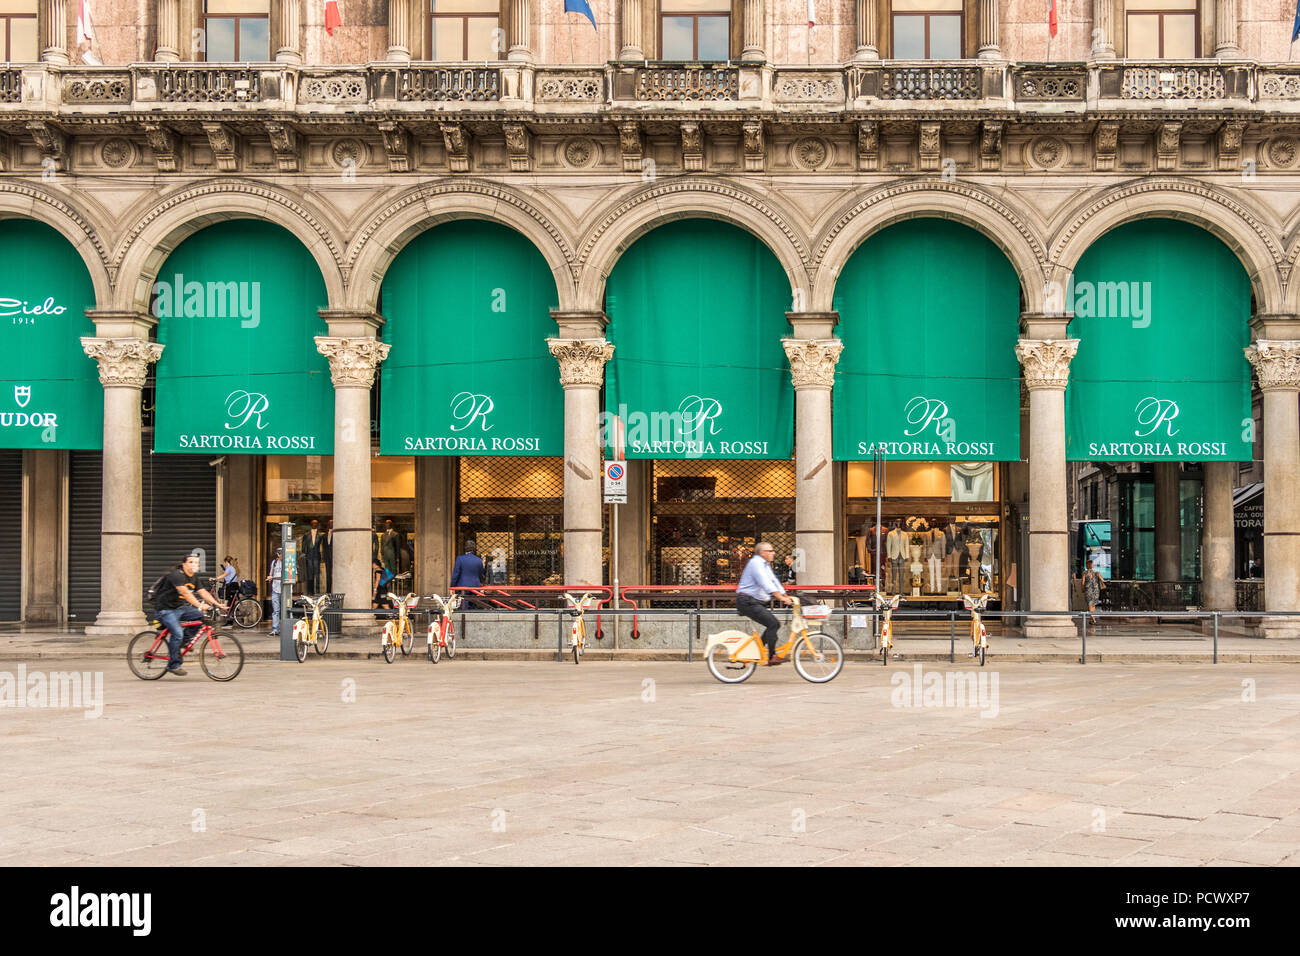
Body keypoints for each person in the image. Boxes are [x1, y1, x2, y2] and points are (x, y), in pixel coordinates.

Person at [156, 553, 224, 676]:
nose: (194, 565)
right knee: (177, 633)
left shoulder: (194, 578)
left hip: (180, 608)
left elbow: (203, 593)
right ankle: (174, 664)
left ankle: (184, 641)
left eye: (197, 563)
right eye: (191, 562)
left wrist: (217, 604)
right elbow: (186, 593)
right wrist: (200, 606)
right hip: (165, 609)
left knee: (200, 617)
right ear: (184, 564)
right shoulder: (176, 575)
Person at [736, 541, 794, 666]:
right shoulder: (756, 563)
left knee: (773, 624)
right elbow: (765, 583)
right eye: (770, 551)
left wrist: (785, 595)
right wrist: (780, 597)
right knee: (773, 624)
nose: (773, 553)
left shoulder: (765, 565)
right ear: (762, 553)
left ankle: (756, 651)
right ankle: (772, 656)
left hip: (754, 601)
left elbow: (774, 581)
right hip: (747, 601)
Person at [451, 539, 485, 606]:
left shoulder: (460, 558)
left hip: (463, 586)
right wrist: (481, 584)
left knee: (463, 606)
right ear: (474, 549)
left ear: (465, 548)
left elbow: (456, 574)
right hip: (475, 586)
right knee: (474, 605)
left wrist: (452, 587)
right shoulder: (479, 560)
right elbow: (481, 574)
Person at [300, 519, 324, 594]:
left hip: (317, 556)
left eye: (316, 523)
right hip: (309, 557)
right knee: (309, 575)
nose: (315, 525)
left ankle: (317, 591)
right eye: (313, 523)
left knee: (317, 575)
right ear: (311, 524)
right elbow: (303, 547)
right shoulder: (306, 535)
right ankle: (310, 591)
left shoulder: (320, 535)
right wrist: (304, 555)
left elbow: (322, 546)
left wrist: (322, 556)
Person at [267, 548, 285, 636]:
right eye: (279, 554)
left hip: (285, 590)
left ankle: (287, 629)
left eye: (281, 553)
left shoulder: (288, 562)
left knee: (286, 610)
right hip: (275, 589)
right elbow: (271, 574)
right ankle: (275, 629)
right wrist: (270, 578)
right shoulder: (274, 563)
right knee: (276, 611)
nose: (280, 555)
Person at [1083, 559, 1106, 623]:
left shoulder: (1084, 573)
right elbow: (1103, 580)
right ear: (1092, 565)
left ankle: (1093, 618)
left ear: (1087, 565)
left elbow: (1083, 582)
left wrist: (1082, 589)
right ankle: (1092, 618)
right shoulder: (1097, 573)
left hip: (1088, 590)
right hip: (1096, 590)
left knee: (1090, 604)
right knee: (1093, 605)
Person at [219, 556, 239, 625]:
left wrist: (215, 578)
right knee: (230, 603)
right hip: (232, 585)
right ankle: (229, 620)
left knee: (230, 603)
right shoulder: (232, 567)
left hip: (232, 586)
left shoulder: (229, 567)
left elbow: (224, 575)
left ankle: (230, 621)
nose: (224, 564)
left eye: (224, 562)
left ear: (226, 562)